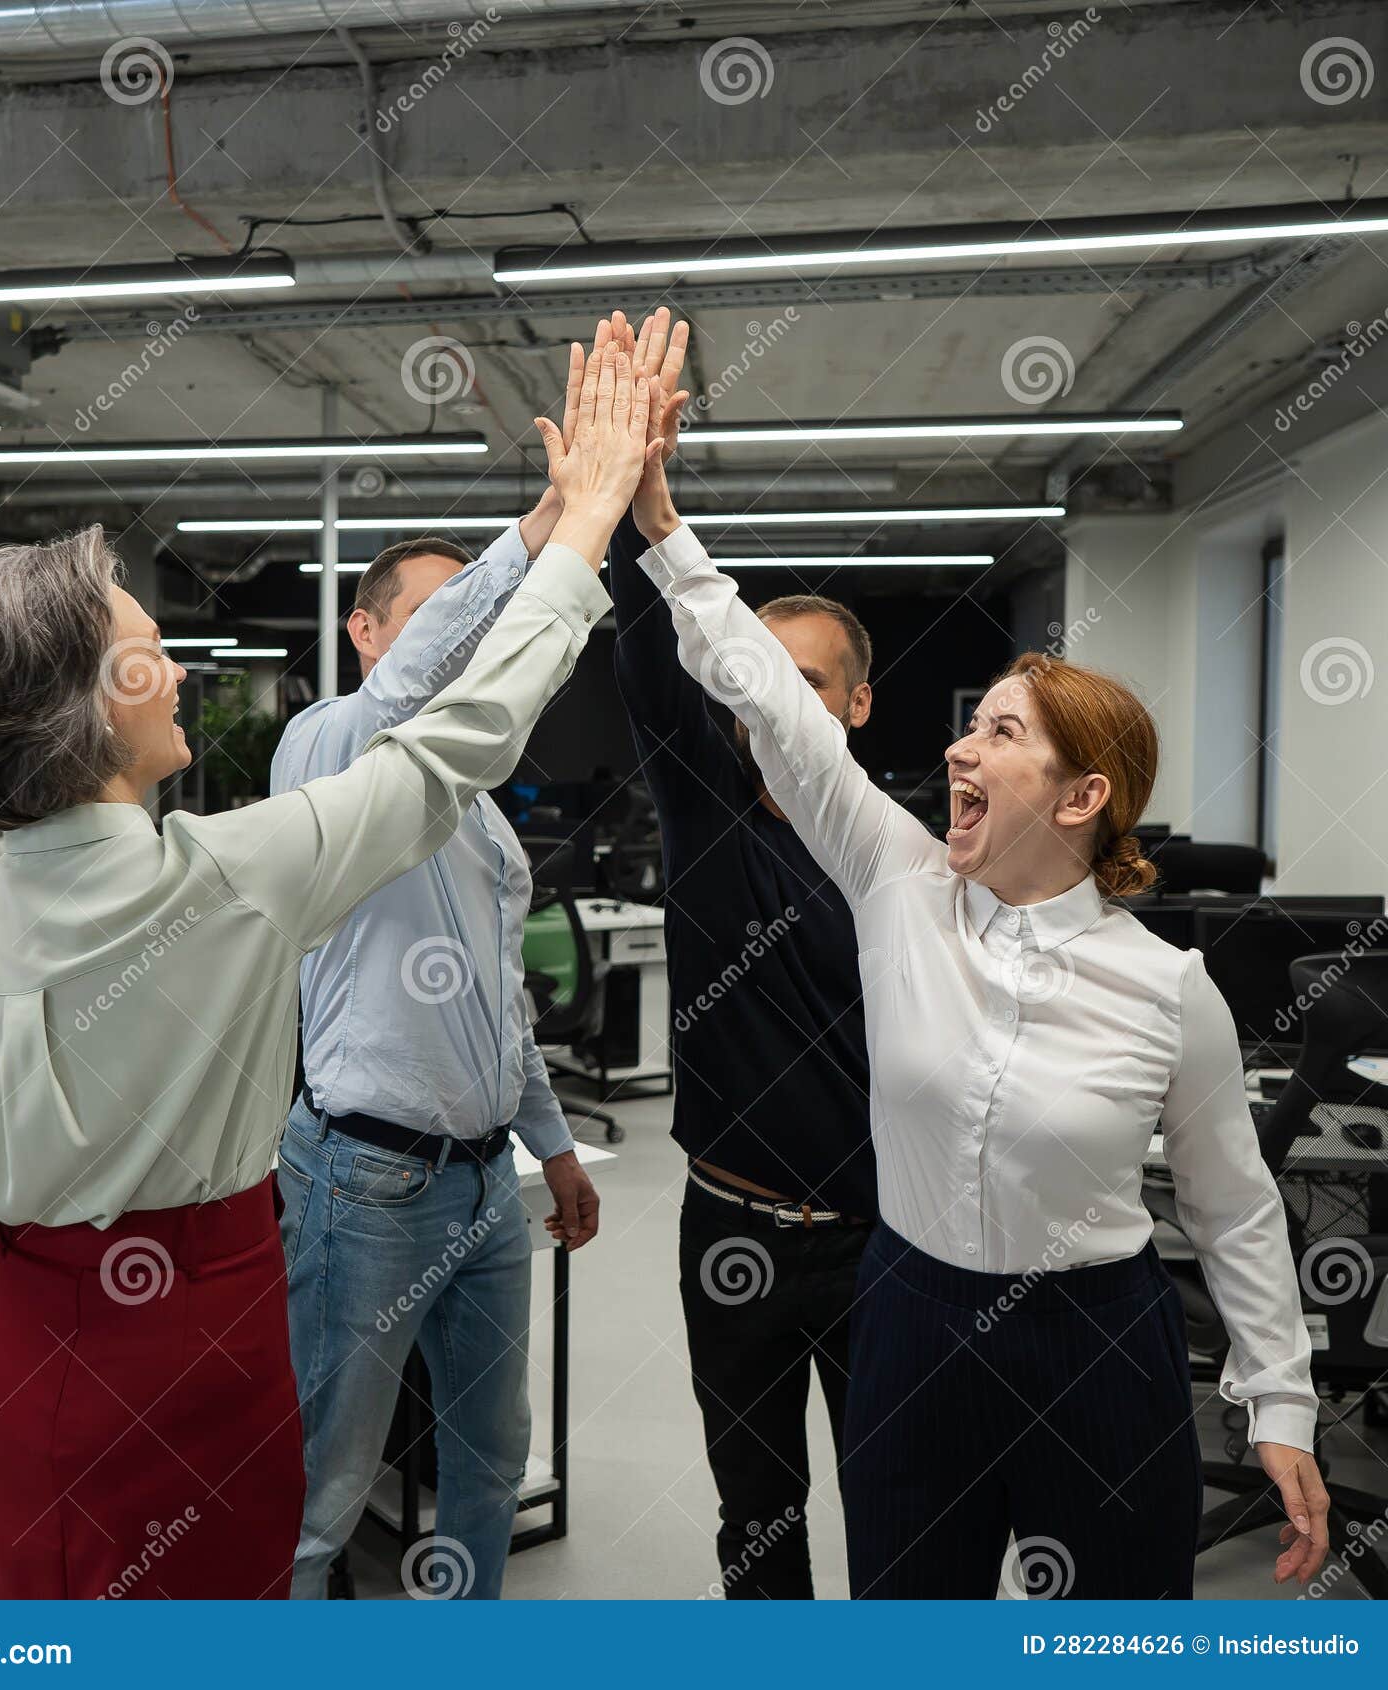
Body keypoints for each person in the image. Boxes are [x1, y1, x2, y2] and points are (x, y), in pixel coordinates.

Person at [0, 348, 651, 1600]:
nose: (184, 667)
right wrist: (581, 528)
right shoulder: (227, 877)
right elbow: (454, 740)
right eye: (152, 651)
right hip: (204, 1338)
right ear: (92, 708)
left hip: (39, 1368)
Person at [622, 447, 1329, 1598]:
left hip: (1097, 1341)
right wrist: (660, 526)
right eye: (974, 725)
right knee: (912, 1614)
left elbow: (1232, 1204)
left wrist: (1280, 1398)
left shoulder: (1165, 986)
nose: (959, 746)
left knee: (1112, 1626)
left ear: (1079, 794)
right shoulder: (898, 883)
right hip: (909, 1312)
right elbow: (772, 707)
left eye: (1001, 734)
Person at [272, 347, 646, 1601]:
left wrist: (552, 1146)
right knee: (324, 1485)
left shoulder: (477, 816)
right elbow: (420, 678)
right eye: (446, 620)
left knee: (489, 1459)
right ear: (365, 630)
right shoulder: (327, 744)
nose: (473, 644)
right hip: (364, 1178)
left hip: (484, 1179)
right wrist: (554, 520)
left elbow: (499, 1011)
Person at [601, 310, 878, 1598]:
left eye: (811, 683)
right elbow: (656, 646)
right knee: (757, 1523)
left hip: (887, 1240)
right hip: (734, 1235)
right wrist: (622, 480)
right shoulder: (705, 808)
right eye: (759, 677)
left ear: (856, 704)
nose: (782, 703)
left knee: (898, 1519)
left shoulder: (908, 857)